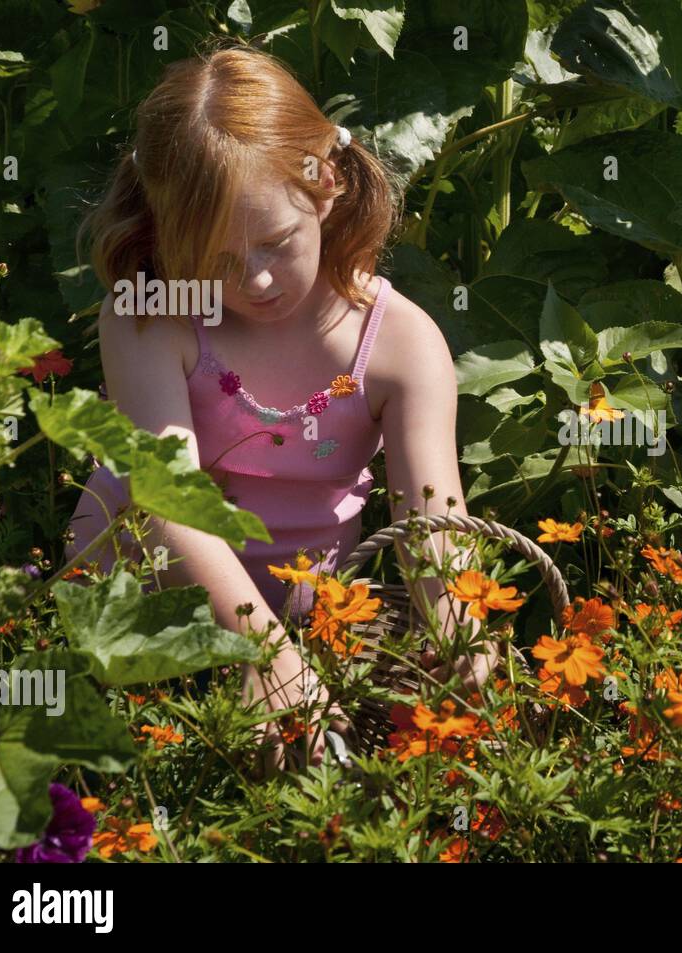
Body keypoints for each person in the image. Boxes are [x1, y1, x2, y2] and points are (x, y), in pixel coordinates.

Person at [66, 45, 499, 774]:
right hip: (137, 601)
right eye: (219, 260)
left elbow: (433, 522)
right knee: (133, 785)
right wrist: (258, 653)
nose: (257, 279)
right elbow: (163, 502)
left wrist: (458, 628)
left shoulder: (396, 342)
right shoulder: (155, 313)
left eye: (275, 242)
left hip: (304, 614)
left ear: (324, 185)